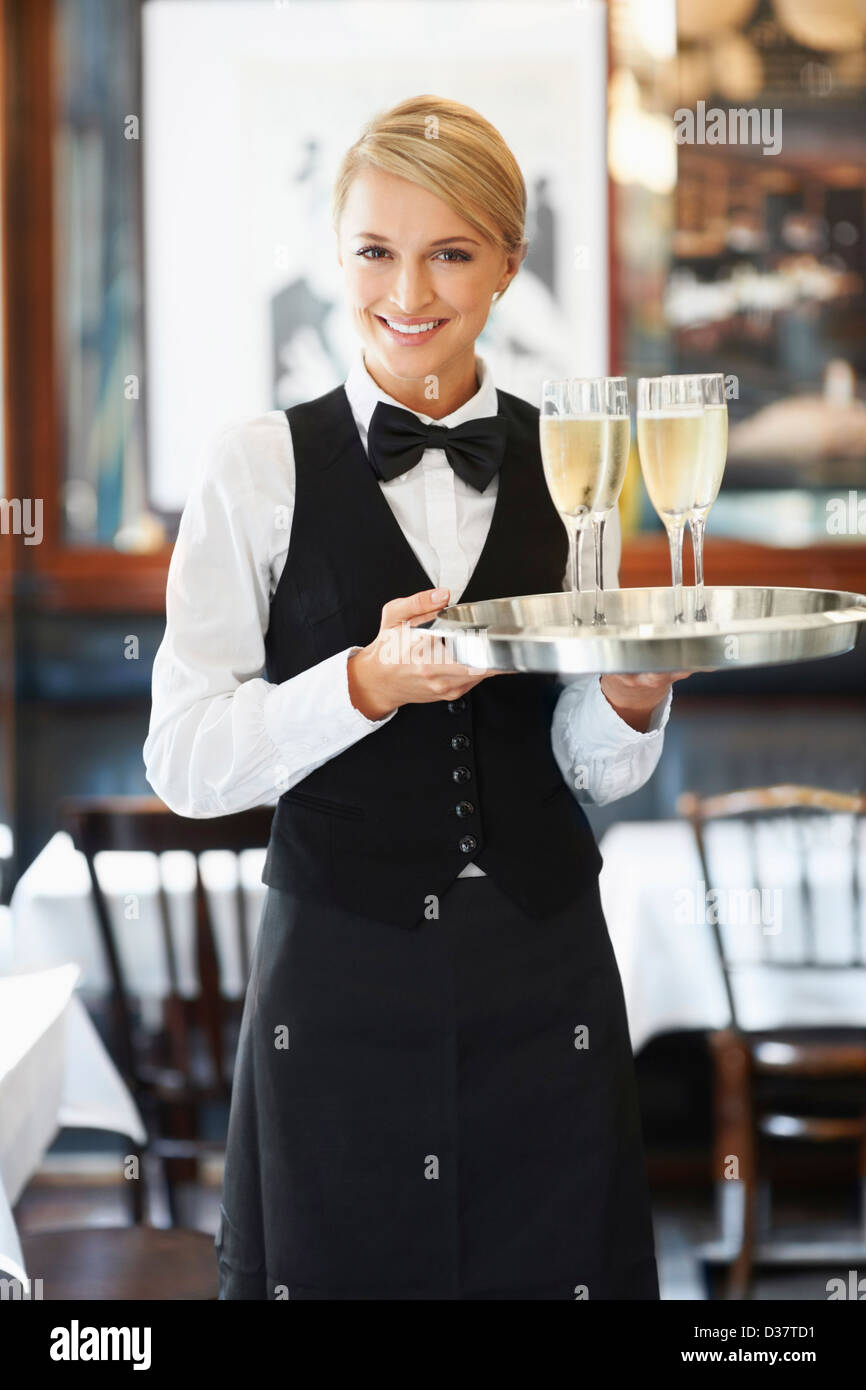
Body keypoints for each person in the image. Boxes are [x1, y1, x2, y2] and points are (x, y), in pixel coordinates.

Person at [144, 94, 686, 1301]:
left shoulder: (571, 455)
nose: (409, 290)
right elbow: (181, 757)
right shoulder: (256, 465)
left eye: (449, 251)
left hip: (543, 967)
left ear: (505, 263)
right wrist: (358, 687)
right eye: (375, 251)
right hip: (340, 976)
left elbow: (583, 761)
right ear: (337, 259)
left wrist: (631, 701)